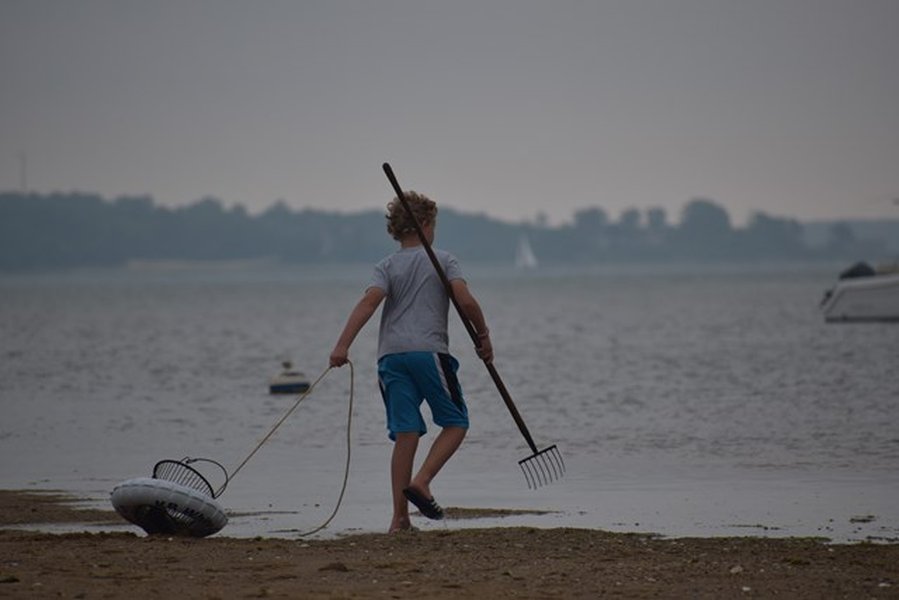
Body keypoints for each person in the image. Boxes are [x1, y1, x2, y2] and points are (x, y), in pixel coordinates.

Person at [329, 190, 493, 533]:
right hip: (429, 352)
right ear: (425, 225)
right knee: (456, 422)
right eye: (433, 225)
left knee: (406, 434)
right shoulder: (443, 259)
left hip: (390, 358)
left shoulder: (386, 266)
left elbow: (368, 304)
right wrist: (483, 334)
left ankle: (399, 519)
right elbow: (465, 301)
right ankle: (423, 480)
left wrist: (342, 346)